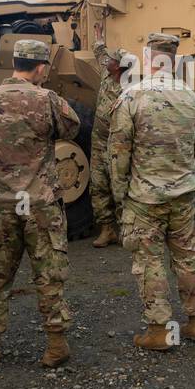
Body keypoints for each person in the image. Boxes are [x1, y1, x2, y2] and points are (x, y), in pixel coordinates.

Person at [0, 39, 79, 368]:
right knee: (49, 274)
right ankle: (56, 345)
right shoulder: (48, 100)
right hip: (40, 204)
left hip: (1, 205)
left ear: (15, 63)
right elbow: (73, 128)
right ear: (41, 68)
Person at [110, 32, 195, 350]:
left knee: (149, 261)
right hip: (183, 194)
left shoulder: (132, 97)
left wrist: (119, 193)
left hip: (145, 197)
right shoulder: (191, 98)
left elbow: (119, 153)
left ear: (148, 57)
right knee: (188, 256)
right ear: (174, 60)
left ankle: (159, 331)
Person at [89, 22, 128, 248]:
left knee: (120, 187)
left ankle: (125, 229)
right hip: (99, 141)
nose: (108, 60)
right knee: (98, 186)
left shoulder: (128, 87)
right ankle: (106, 229)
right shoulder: (107, 69)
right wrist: (99, 37)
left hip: (117, 144)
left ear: (119, 67)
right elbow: (100, 52)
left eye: (112, 60)